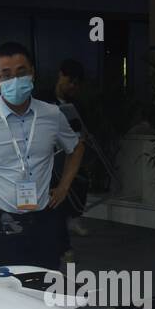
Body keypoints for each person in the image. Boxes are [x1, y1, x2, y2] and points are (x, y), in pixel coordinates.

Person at [0, 42, 84, 270]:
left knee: (47, 281)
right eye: (6, 75)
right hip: (3, 220)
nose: (15, 80)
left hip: (45, 218)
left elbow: (77, 147)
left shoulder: (51, 115)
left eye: (21, 72)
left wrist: (65, 187)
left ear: (32, 74)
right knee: (10, 288)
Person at [52, 59, 91, 240]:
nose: (72, 87)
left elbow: (82, 132)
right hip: (49, 154)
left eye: (76, 84)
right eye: (70, 81)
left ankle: (74, 218)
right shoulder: (43, 100)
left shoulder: (78, 105)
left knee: (80, 179)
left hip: (69, 150)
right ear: (61, 75)